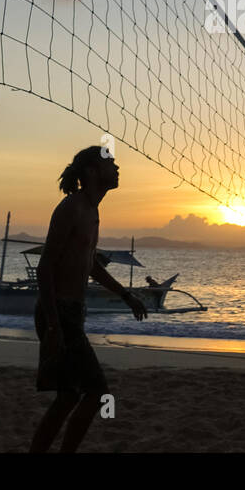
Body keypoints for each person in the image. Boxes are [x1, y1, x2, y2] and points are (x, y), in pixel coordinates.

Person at [31, 146, 147, 453]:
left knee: (68, 396)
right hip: (59, 312)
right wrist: (54, 325)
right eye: (111, 163)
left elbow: (90, 264)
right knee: (97, 391)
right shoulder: (72, 207)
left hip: (70, 313)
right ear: (92, 172)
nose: (118, 167)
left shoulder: (92, 209)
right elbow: (45, 267)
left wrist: (125, 295)